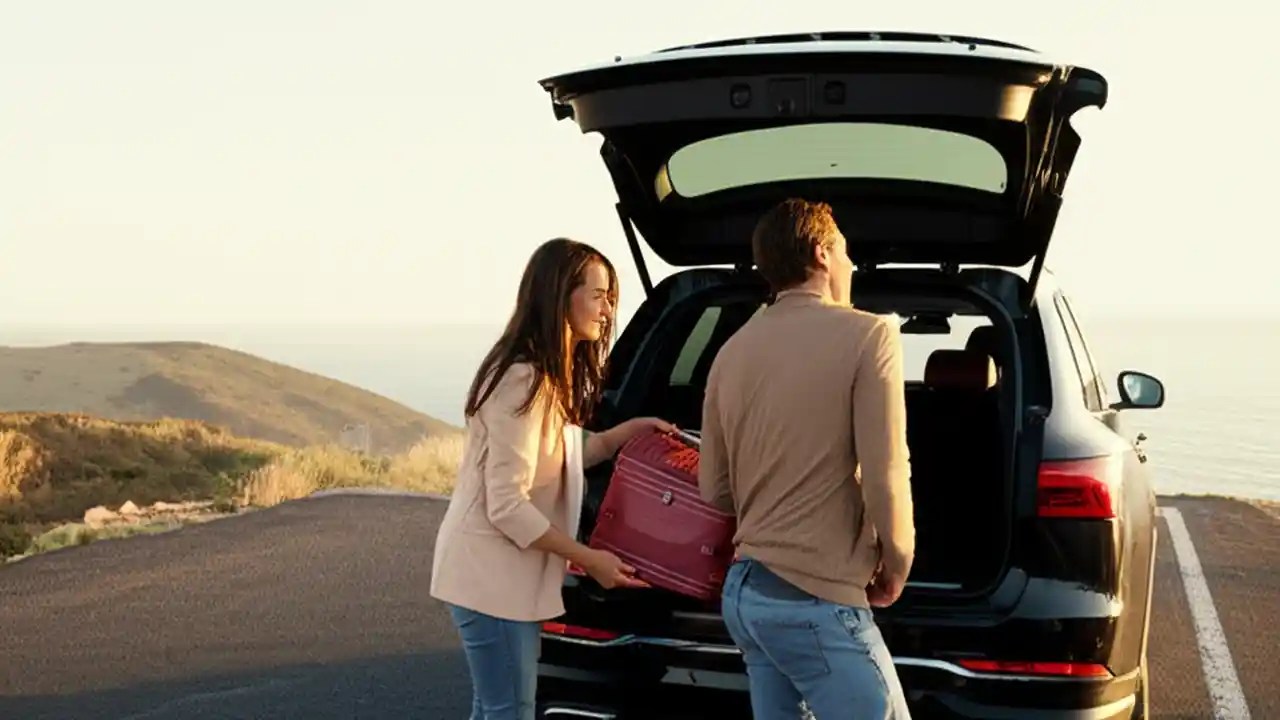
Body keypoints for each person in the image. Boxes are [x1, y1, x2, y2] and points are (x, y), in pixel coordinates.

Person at [430, 238, 675, 720]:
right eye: (599, 295)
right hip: (489, 580)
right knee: (511, 712)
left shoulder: (542, 377)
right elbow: (506, 505)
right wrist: (590, 560)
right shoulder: (521, 380)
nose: (607, 311)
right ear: (562, 295)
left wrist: (625, 433)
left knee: (497, 709)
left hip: (500, 581)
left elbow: (560, 452)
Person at [698, 199, 915, 719]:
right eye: (845, 252)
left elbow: (715, 490)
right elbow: (885, 471)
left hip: (747, 599)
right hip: (816, 602)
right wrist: (898, 561)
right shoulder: (871, 334)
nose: (851, 265)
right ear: (821, 252)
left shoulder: (731, 351)